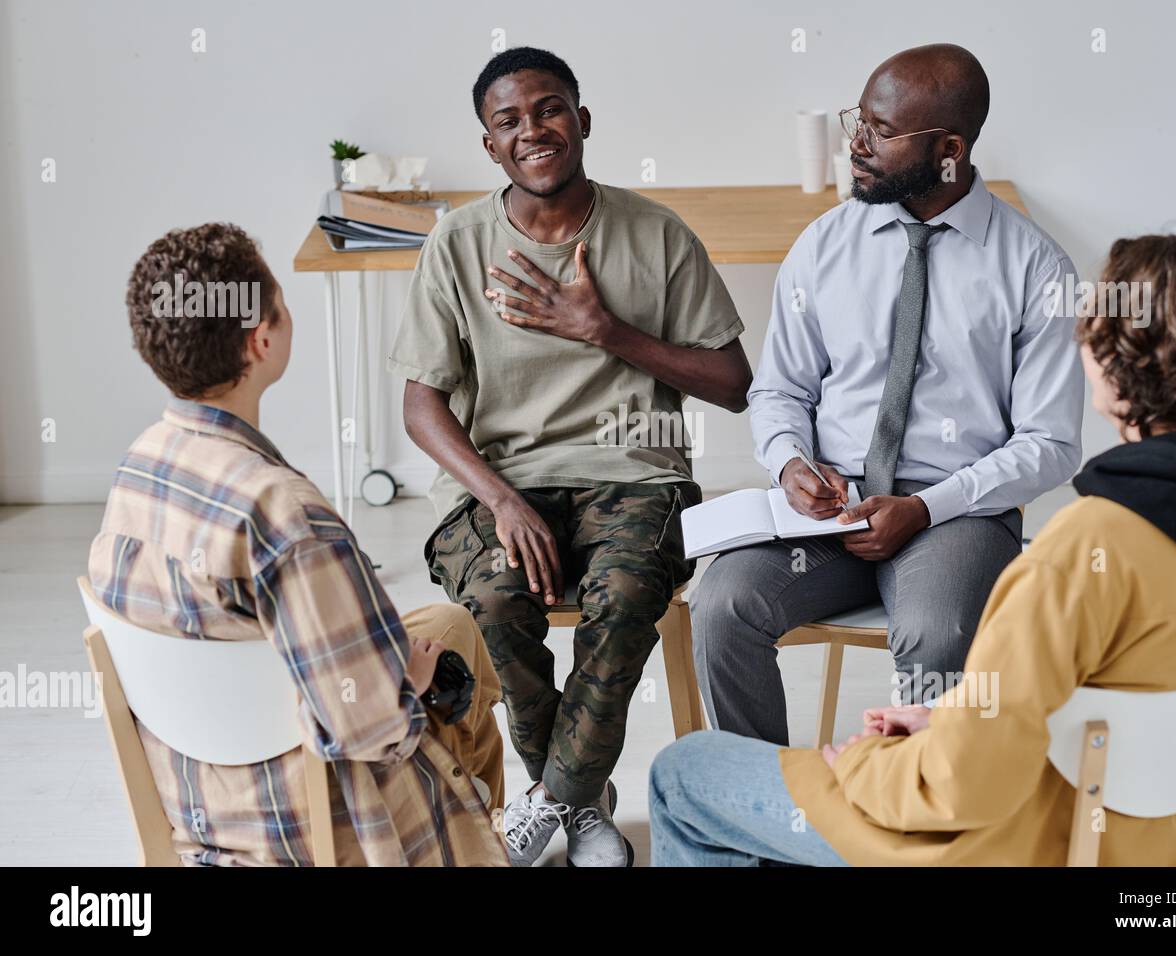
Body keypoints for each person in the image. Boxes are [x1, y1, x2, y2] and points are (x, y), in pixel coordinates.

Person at [649, 232, 1176, 866]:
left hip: (1000, 840)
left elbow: (960, 789)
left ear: (1125, 372)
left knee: (683, 773)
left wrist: (862, 765)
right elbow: (1126, 684)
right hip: (1138, 843)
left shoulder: (1088, 547)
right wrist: (950, 719)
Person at [388, 47, 752, 866]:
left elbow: (733, 383)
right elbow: (422, 406)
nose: (533, 131)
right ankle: (585, 803)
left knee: (623, 594)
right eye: (507, 121)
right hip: (502, 481)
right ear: (489, 146)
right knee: (494, 598)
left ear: (581, 120)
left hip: (638, 474)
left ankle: (556, 799)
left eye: (548, 109)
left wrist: (606, 332)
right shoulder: (455, 244)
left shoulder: (656, 235)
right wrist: (503, 501)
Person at [690, 43, 1084, 744]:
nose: (856, 144)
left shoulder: (1033, 266)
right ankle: (760, 817)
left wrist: (926, 506)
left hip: (957, 511)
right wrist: (792, 464)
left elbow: (1050, 444)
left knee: (939, 634)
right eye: (856, 121)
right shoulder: (822, 245)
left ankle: (918, 827)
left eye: (878, 129)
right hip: (829, 513)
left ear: (949, 150)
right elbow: (780, 388)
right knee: (721, 606)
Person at [89, 223, 508, 866]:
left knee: (448, 620)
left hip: (201, 793)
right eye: (281, 304)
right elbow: (372, 728)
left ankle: (488, 826)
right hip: (313, 813)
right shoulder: (286, 516)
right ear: (262, 340)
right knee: (452, 663)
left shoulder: (136, 469)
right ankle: (482, 837)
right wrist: (411, 678)